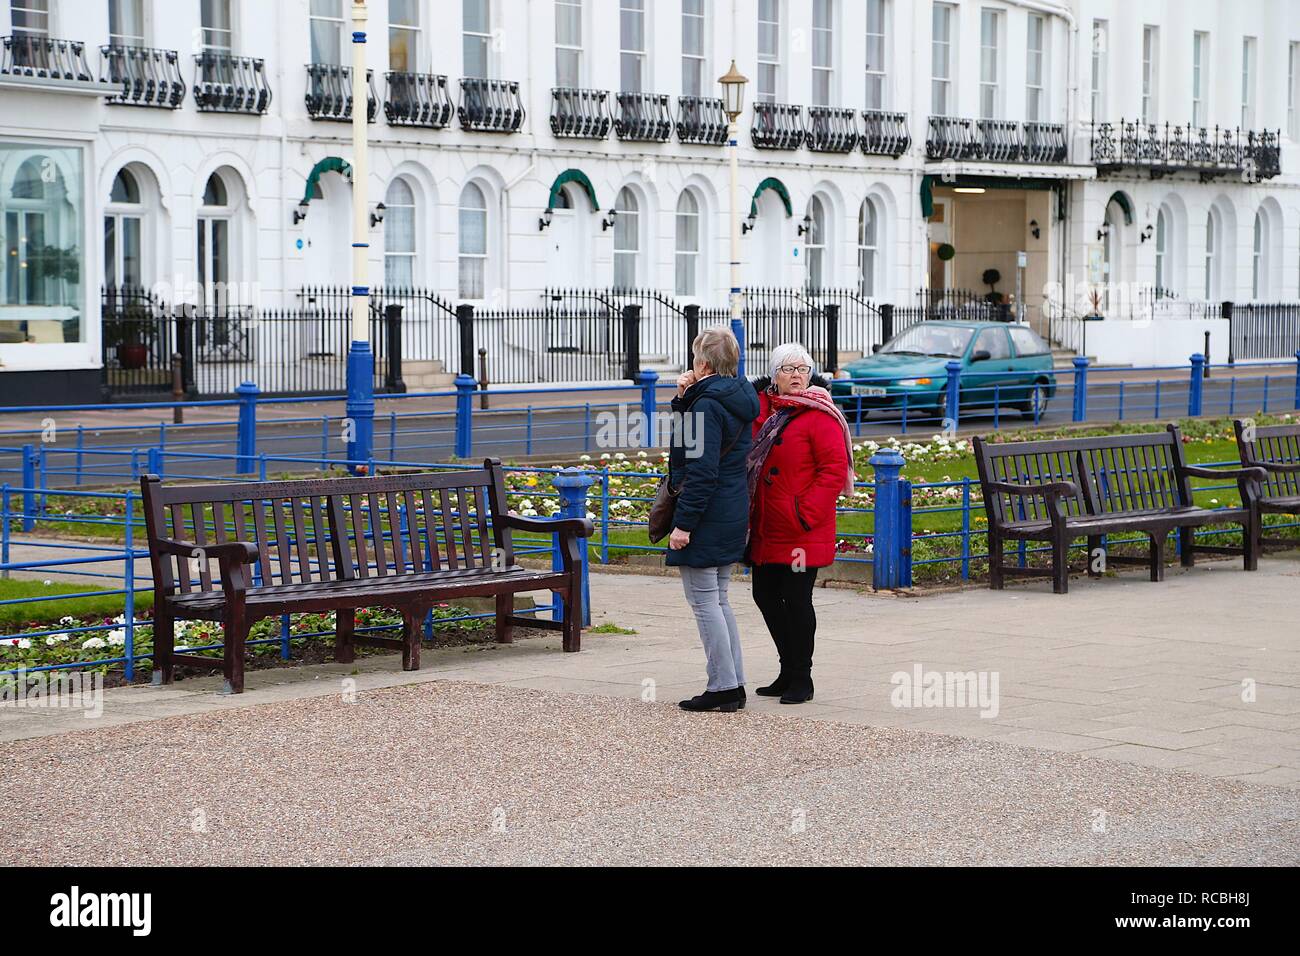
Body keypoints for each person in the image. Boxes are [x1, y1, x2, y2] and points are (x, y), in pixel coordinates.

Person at [745, 343, 855, 704]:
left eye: (802, 369)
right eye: (788, 368)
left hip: (800, 527)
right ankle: (786, 669)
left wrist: (803, 512)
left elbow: (833, 469)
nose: (796, 375)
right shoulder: (760, 411)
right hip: (765, 524)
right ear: (774, 375)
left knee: (795, 598)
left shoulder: (819, 414)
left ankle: (801, 677)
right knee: (764, 594)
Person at [666, 327, 759, 713]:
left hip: (708, 512)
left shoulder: (707, 405)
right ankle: (732, 681)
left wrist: (683, 524)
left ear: (702, 363)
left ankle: (722, 686)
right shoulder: (735, 396)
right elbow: (699, 447)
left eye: (694, 358)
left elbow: (699, 469)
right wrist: (682, 400)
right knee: (718, 600)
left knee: (705, 601)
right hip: (732, 507)